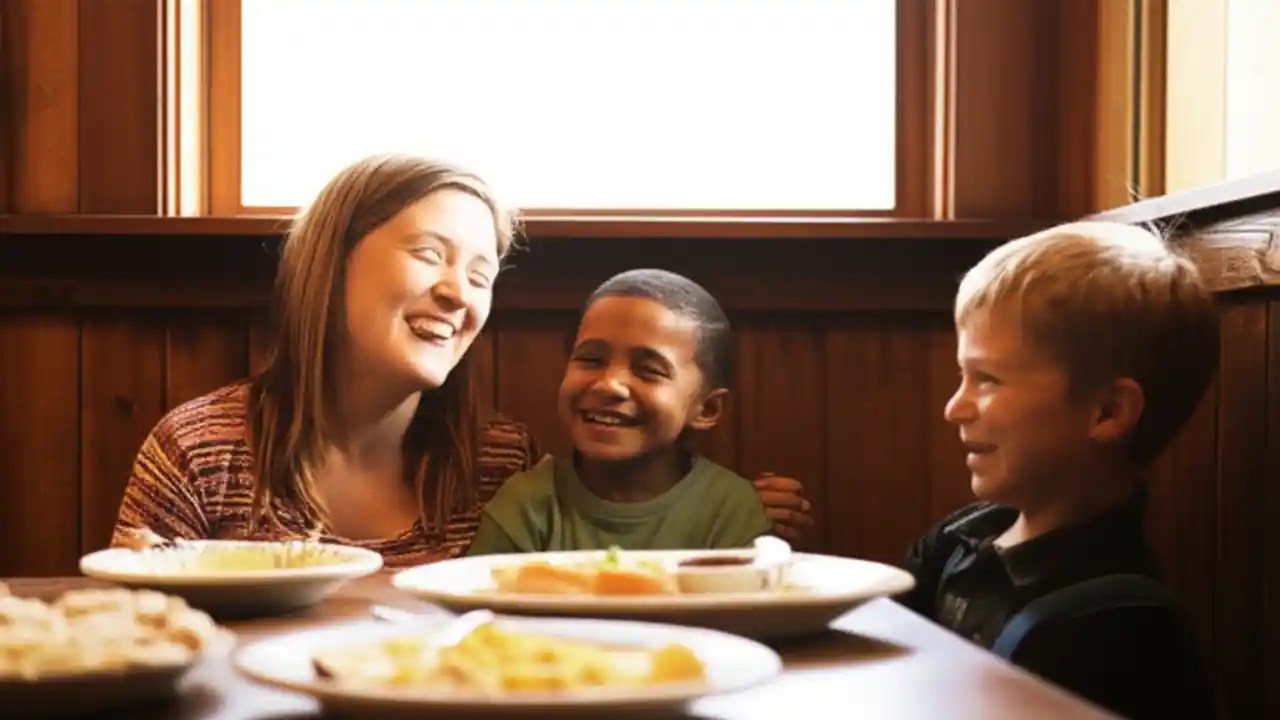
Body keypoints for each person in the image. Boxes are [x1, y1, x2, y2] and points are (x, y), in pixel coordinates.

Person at [110, 154, 813, 567]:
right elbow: (138, 637)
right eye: (430, 255)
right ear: (332, 262)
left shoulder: (502, 461)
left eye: (481, 275)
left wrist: (743, 513)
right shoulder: (200, 451)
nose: (456, 292)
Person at [898, 221, 1218, 718]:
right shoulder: (958, 541)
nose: (954, 408)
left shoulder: (1116, 629)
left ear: (1107, 413)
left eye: (986, 379)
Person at [468, 269, 783, 555]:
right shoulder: (527, 503)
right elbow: (479, 608)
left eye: (648, 370)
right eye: (591, 360)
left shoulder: (730, 509)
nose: (609, 385)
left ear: (707, 409)